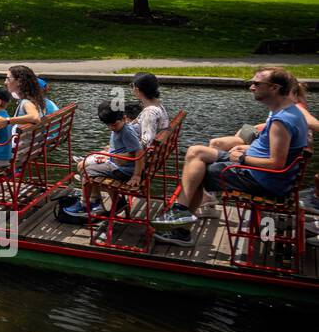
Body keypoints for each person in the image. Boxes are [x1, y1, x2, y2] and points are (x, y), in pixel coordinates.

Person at [152, 67, 310, 247]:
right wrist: (249, 148)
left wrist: (242, 158)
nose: (251, 87)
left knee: (198, 171)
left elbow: (276, 163)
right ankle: (179, 218)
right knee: (195, 152)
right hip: (260, 171)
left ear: (274, 88)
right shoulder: (289, 111)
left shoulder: (281, 121)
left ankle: (180, 227)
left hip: (261, 179)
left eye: (257, 84)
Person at [60, 101, 144, 219]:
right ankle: (103, 201)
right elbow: (121, 148)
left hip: (123, 170)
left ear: (124, 118)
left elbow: (139, 152)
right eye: (108, 125)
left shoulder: (126, 131)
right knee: (87, 165)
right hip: (117, 163)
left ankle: (86, 204)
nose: (111, 128)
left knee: (85, 169)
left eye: (114, 125)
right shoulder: (120, 127)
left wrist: (137, 176)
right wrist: (108, 153)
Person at [3, 65, 46, 130]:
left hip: (22, 139)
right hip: (34, 139)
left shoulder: (26, 102)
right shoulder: (36, 99)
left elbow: (35, 117)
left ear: (19, 82)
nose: (5, 82)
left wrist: (7, 120)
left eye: (8, 79)